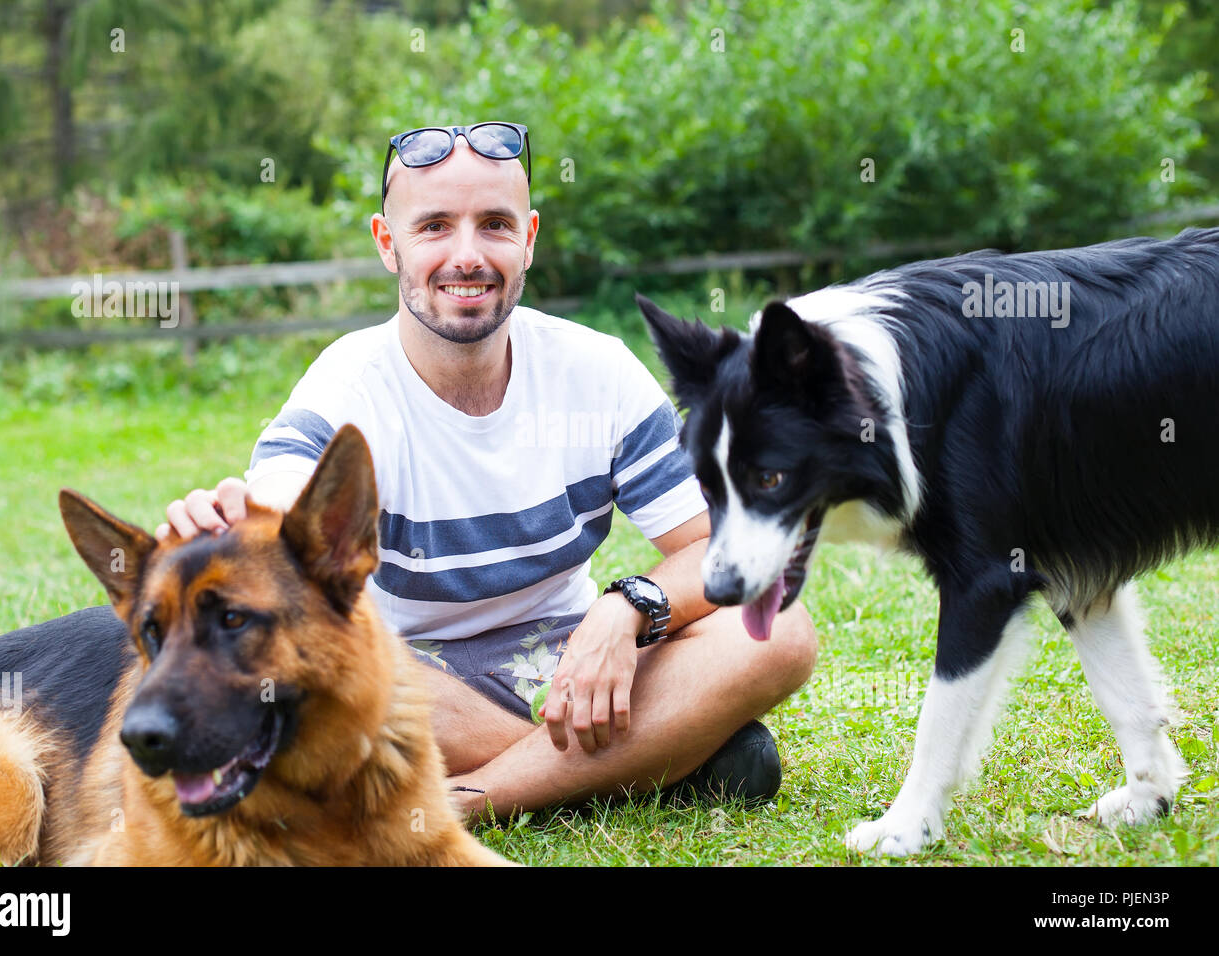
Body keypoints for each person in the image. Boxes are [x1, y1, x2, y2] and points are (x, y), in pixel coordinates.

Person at [160, 122, 818, 822]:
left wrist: (625, 608)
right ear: (389, 244)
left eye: (494, 225)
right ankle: (653, 764)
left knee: (781, 629)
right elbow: (278, 532)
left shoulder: (597, 372)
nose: (466, 256)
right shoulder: (343, 392)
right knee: (308, 675)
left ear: (529, 238)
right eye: (436, 226)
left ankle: (471, 799)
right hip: (412, 680)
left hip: (566, 665)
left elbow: (721, 549)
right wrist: (236, 525)